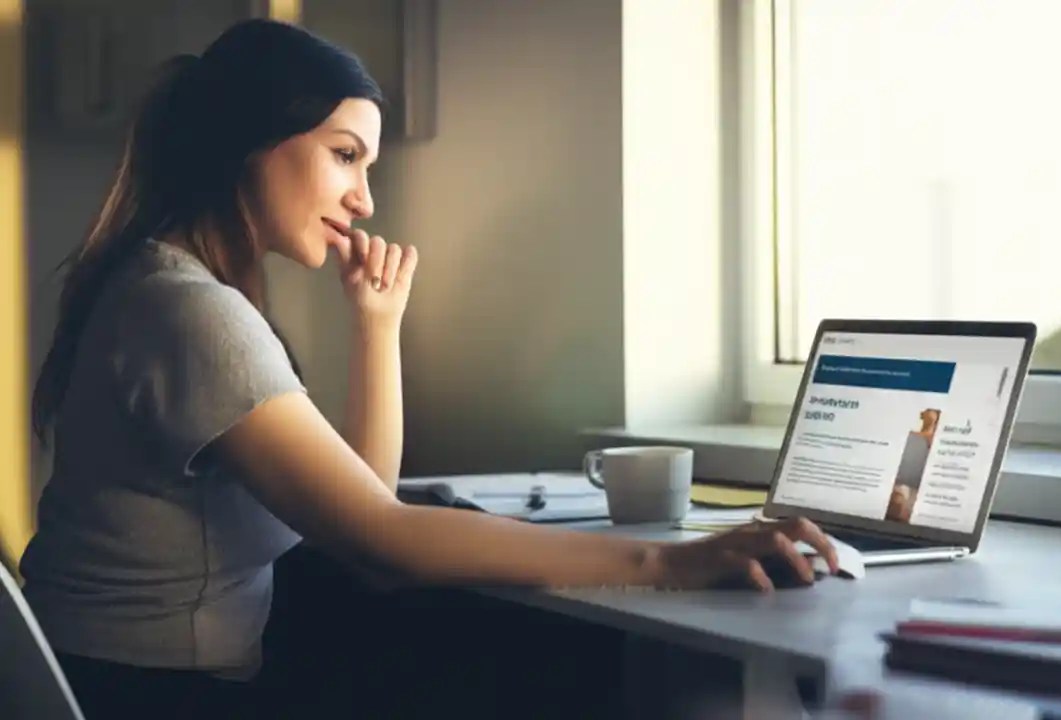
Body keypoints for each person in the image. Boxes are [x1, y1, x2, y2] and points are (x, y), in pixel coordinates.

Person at [17, 19, 838, 718]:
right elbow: (385, 542)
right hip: (142, 698)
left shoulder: (177, 292)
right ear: (249, 144)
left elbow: (361, 510)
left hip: (145, 683)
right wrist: (669, 561)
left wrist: (377, 327)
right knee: (547, 667)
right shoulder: (189, 312)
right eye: (345, 155)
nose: (365, 198)